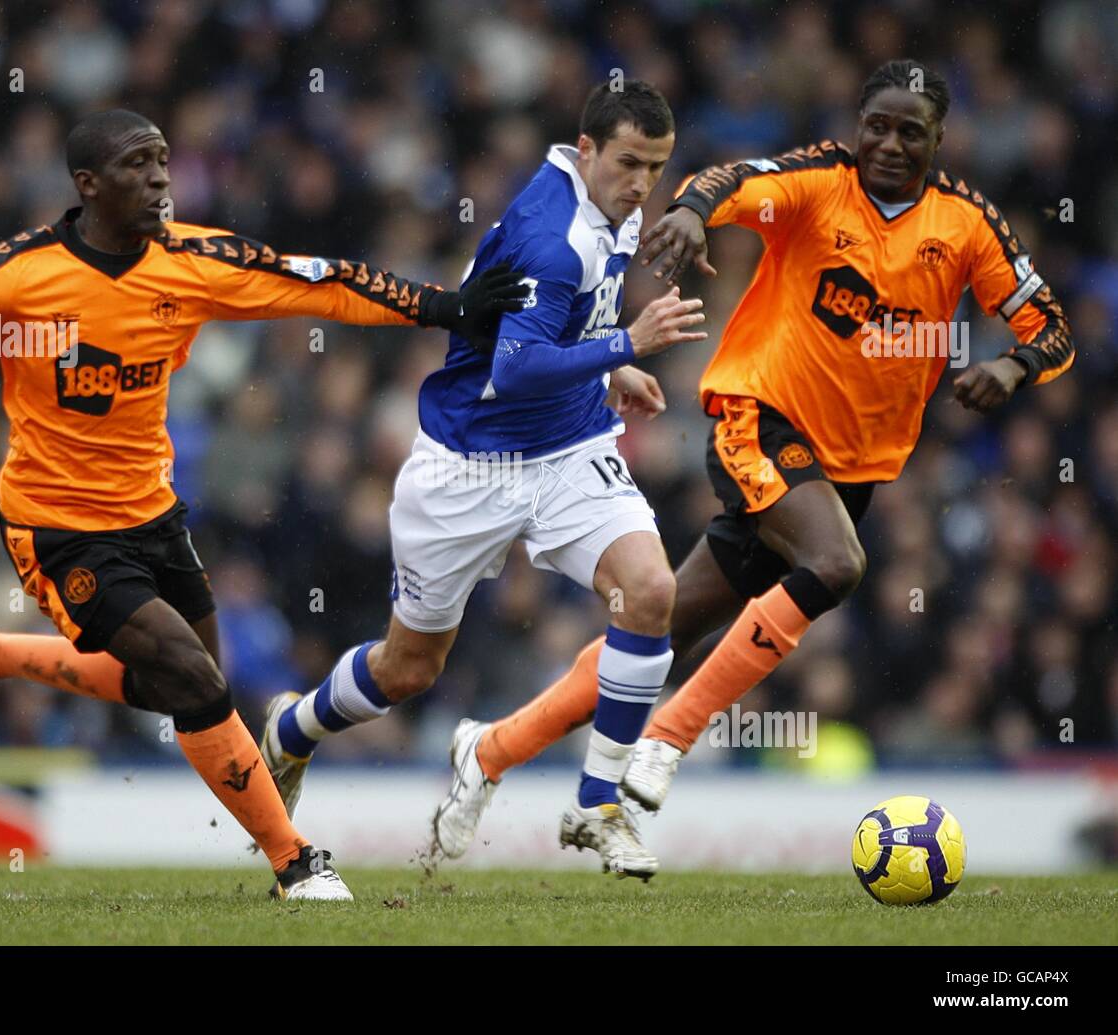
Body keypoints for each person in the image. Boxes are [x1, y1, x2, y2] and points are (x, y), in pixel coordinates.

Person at [0, 108, 526, 901]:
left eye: (164, 162)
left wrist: (444, 307)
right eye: (139, 165)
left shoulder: (190, 259)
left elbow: (315, 282)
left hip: (153, 512)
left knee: (169, 685)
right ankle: (296, 861)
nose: (160, 178)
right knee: (194, 682)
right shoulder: (27, 271)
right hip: (57, 525)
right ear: (88, 185)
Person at [431, 59, 1074, 855]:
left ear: (939, 138)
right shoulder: (817, 181)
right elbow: (730, 179)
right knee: (838, 565)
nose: (890, 143)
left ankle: (488, 750)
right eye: (877, 124)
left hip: (851, 465)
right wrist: (697, 212)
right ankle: (669, 737)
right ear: (857, 121)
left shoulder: (966, 222)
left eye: (912, 131)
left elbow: (1051, 326)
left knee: (655, 639)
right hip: (757, 418)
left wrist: (1013, 365)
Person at [261, 81, 707, 880]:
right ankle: (293, 732)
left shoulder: (616, 205)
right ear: (586, 151)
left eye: (657, 166)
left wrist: (609, 367)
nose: (642, 183)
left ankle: (599, 804)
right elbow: (516, 364)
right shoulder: (552, 233)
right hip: (469, 466)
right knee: (408, 669)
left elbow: (559, 326)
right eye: (630, 163)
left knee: (650, 590)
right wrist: (624, 346)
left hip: (568, 449)